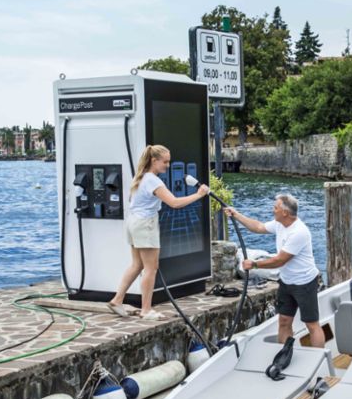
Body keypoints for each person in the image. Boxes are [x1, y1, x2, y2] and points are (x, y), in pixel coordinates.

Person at [109, 145, 208, 319]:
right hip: (145, 225)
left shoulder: (141, 178)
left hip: (134, 223)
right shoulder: (153, 181)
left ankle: (117, 300)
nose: (168, 165)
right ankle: (146, 310)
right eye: (165, 162)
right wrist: (199, 194)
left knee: (137, 265)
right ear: (154, 161)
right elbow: (175, 203)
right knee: (151, 268)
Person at [224, 194, 324, 348]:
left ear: (285, 212)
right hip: (286, 281)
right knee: (284, 321)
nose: (273, 210)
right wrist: (236, 215)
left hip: (304, 283)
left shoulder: (299, 232)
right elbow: (258, 227)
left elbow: (280, 260)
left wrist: (255, 265)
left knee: (311, 324)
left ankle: (318, 359)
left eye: (275, 207)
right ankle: (284, 354)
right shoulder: (280, 224)